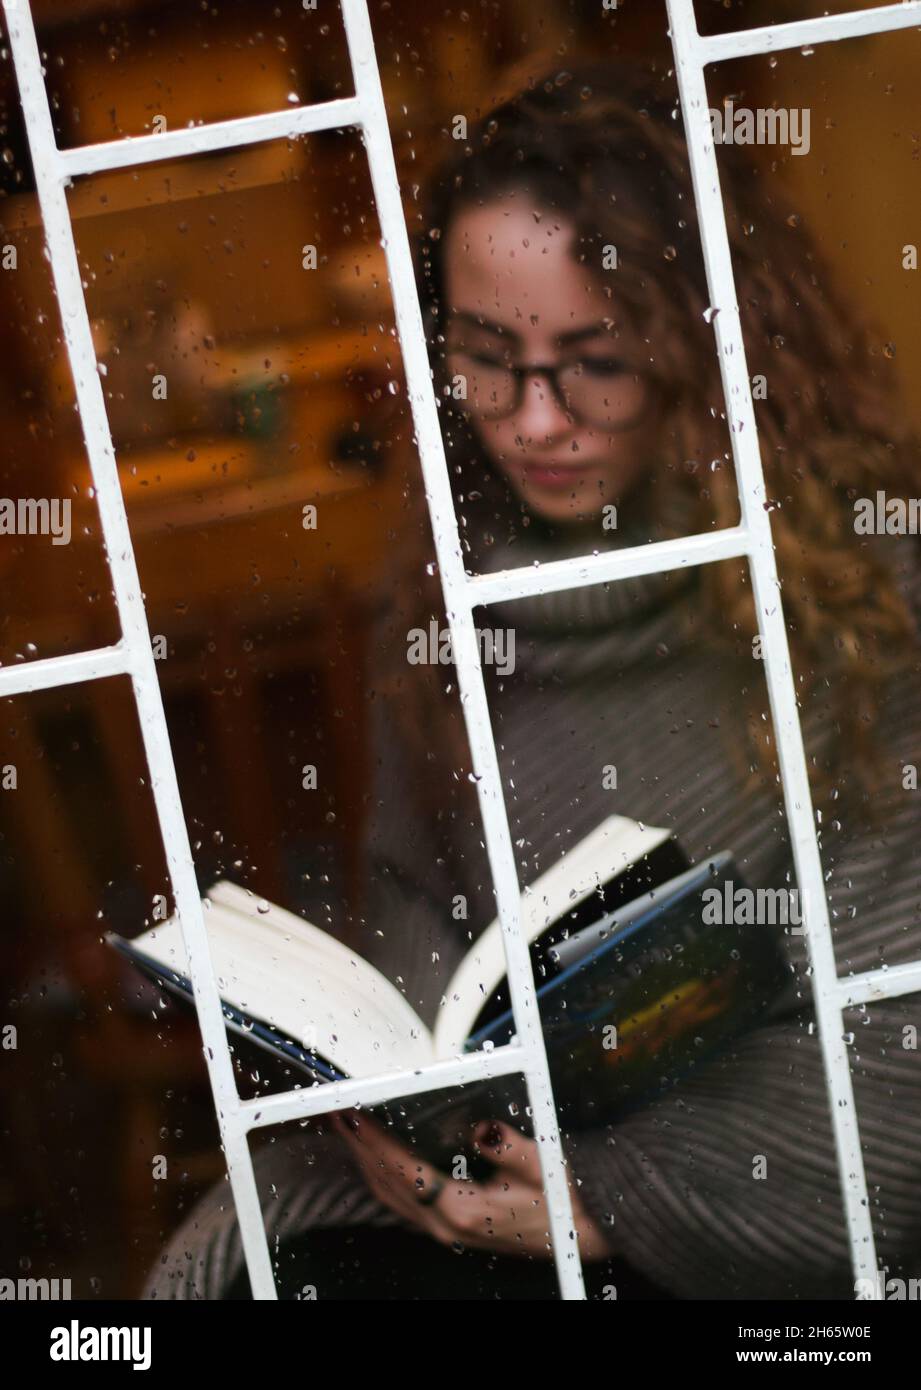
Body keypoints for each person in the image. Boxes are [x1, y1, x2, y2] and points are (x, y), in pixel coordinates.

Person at [143, 59, 921, 1301]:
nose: (533, 420)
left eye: (594, 360)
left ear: (702, 336)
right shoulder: (447, 594)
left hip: (754, 1220)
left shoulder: (869, 597)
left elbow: (901, 1037)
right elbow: (410, 907)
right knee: (252, 1264)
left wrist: (613, 1201)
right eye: (487, 356)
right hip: (493, 1179)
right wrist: (408, 1114)